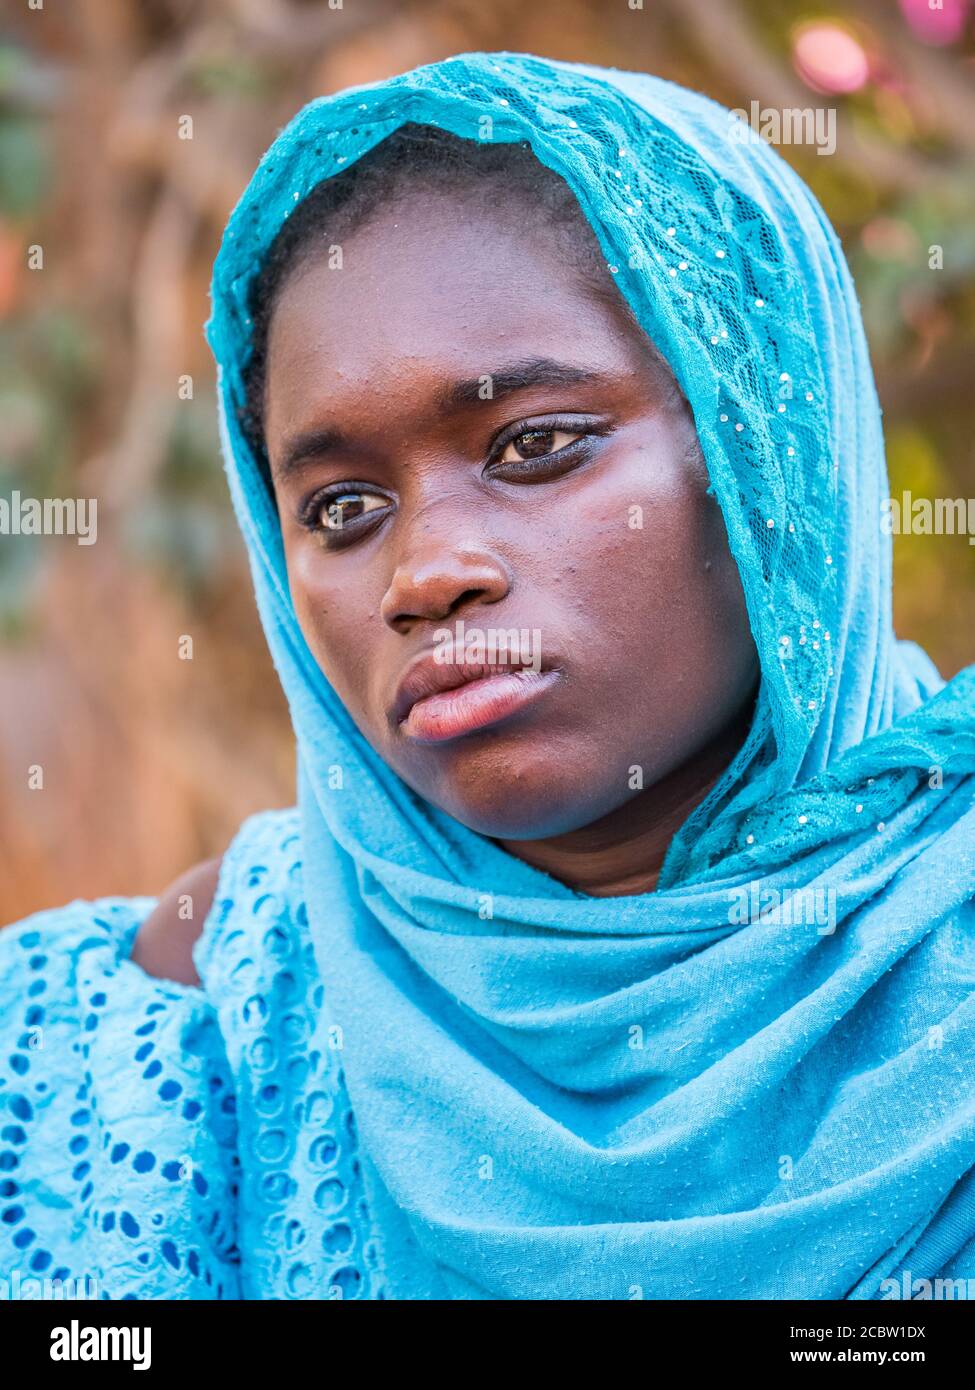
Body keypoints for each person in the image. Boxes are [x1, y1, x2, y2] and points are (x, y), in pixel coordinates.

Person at [2, 51, 974, 1302]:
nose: (425, 573)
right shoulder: (160, 1041)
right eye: (343, 506)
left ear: (766, 453)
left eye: (534, 446)